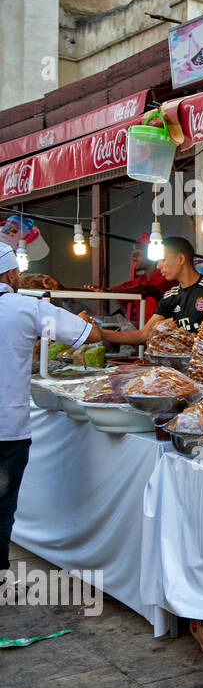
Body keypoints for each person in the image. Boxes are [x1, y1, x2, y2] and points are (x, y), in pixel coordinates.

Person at [1, 243, 104, 594]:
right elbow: (89, 335)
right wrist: (84, 321)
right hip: (6, 429)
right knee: (1, 506)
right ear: (12, 275)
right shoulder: (27, 307)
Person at [83, 237, 203, 345]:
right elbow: (143, 335)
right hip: (182, 372)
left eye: (163, 259)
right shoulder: (170, 296)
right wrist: (99, 333)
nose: (158, 265)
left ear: (180, 259)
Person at [107, 233, 169, 321]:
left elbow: (147, 290)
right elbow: (109, 291)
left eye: (138, 253)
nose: (132, 257)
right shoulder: (139, 281)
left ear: (152, 254)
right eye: (133, 253)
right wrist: (100, 290)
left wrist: (111, 291)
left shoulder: (166, 277)